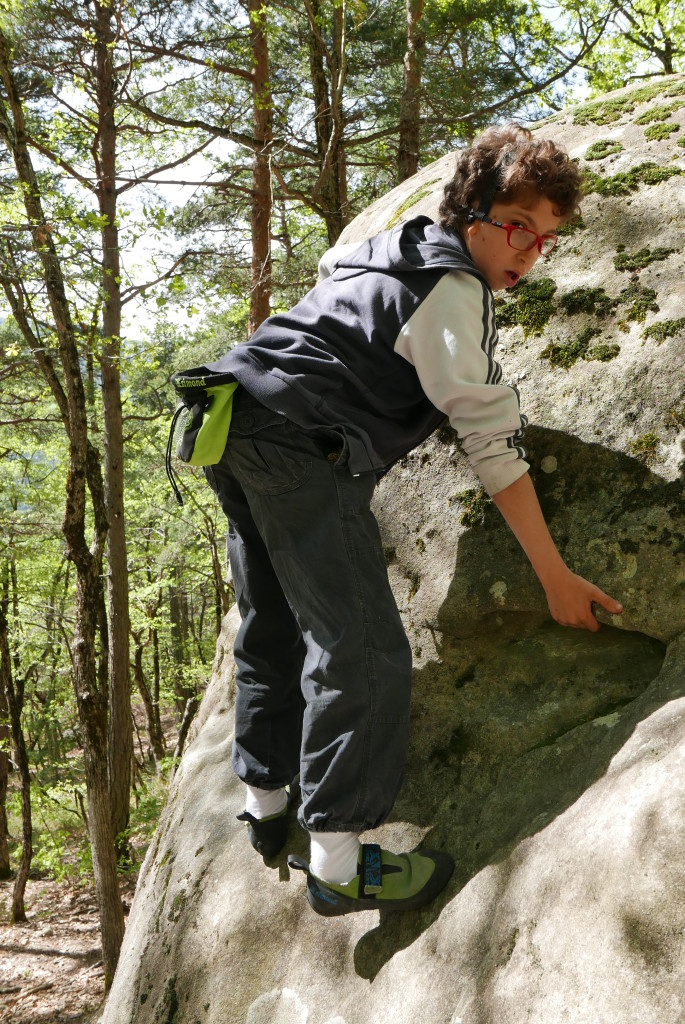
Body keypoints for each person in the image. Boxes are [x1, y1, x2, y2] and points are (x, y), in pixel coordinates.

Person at [171, 124, 623, 918]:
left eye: (545, 238)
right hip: (300, 445)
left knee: (271, 618)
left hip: (232, 420)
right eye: (517, 226)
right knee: (362, 649)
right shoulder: (452, 290)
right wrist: (553, 576)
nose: (528, 252)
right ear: (472, 212)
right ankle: (339, 865)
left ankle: (264, 804)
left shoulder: (395, 245)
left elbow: (330, 270)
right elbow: (491, 442)